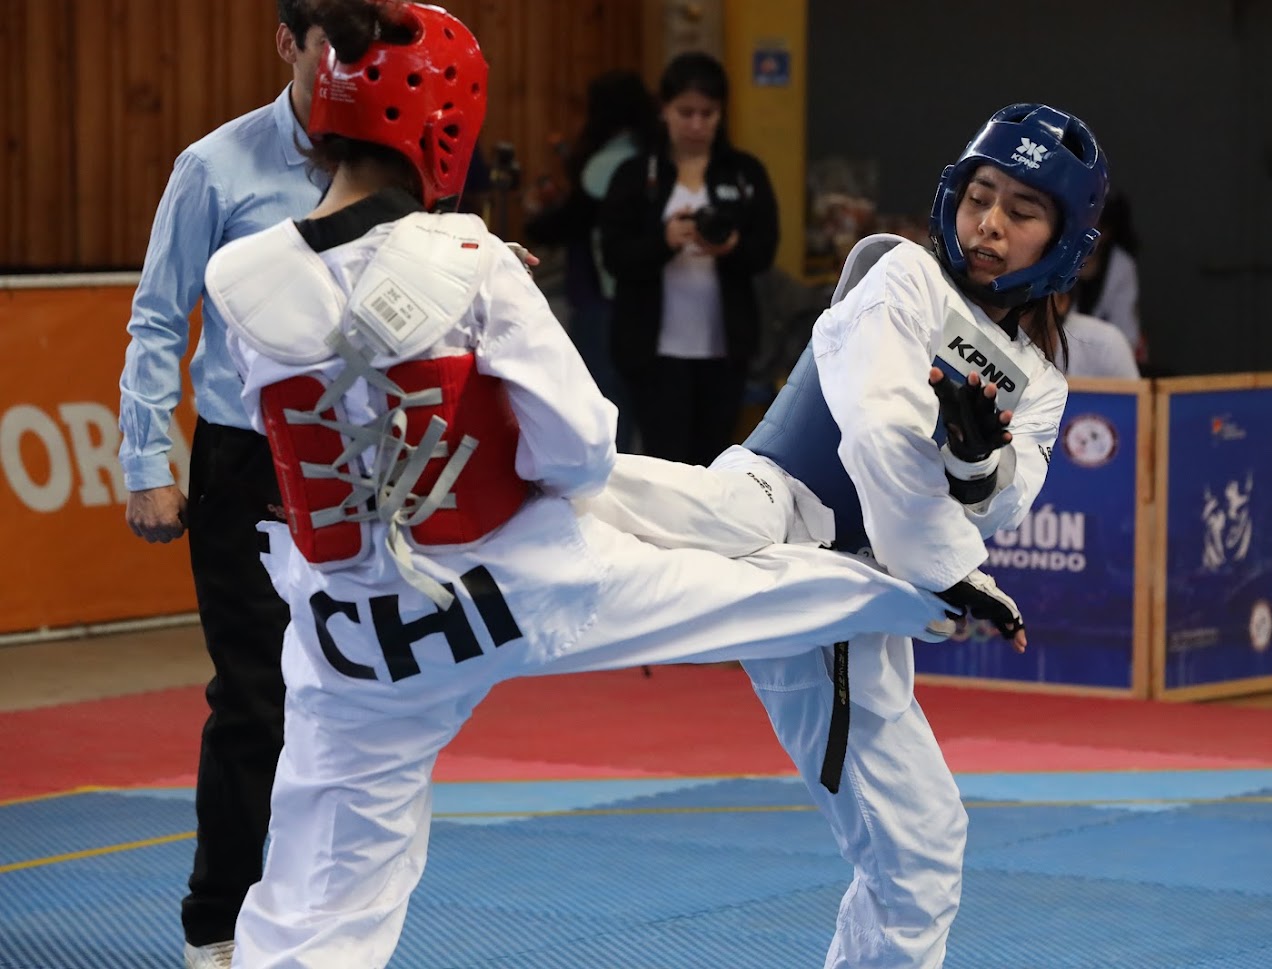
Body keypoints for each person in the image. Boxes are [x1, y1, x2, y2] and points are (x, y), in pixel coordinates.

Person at [202, 5, 1006, 964]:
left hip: (348, 633)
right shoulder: (471, 265)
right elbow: (581, 447)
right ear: (445, 131)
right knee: (750, 593)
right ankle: (928, 595)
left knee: (319, 891)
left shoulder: (237, 277)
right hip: (511, 583)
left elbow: (277, 423)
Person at [729, 104, 1110, 967]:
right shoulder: (897, 273)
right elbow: (879, 429)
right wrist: (953, 571)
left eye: (1022, 210)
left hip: (857, 590)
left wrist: (978, 466)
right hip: (789, 542)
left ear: (1063, 240)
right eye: (982, 195)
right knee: (918, 854)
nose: (990, 224)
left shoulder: (1041, 383)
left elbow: (1007, 501)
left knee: (921, 851)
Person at [116, 4, 329, 966]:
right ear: (288, 42)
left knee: (352, 701)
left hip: (359, 464)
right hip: (247, 458)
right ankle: (220, 925)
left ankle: (315, 916)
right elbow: (160, 319)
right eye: (334, 41)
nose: (353, 63)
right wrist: (146, 462)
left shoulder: (401, 160)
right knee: (258, 697)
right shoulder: (217, 165)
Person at [599, 51, 779, 465]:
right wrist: (664, 240)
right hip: (653, 350)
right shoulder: (635, 174)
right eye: (685, 112)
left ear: (721, 114)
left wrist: (729, 247)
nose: (697, 125)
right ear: (664, 110)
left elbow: (765, 249)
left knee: (715, 461)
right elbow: (614, 255)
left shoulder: (744, 173)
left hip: (724, 348)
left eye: (708, 113)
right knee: (665, 461)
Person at [524, 69, 656, 450]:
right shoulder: (646, 155)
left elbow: (575, 219)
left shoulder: (607, 162)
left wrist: (536, 223)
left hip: (601, 300)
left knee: (606, 409)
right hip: (639, 301)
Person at [1074, 190, 1144, 365]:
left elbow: (1127, 334)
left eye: (1093, 227)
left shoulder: (1121, 266)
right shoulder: (1060, 255)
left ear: (1106, 232)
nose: (1084, 234)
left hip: (1104, 361)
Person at [1057, 288, 1139, 378]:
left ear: (1062, 301)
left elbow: (1135, 391)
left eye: (1042, 293)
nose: (1038, 303)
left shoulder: (1107, 343)